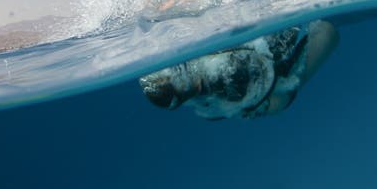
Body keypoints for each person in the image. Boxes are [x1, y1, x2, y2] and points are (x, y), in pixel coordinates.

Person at [139, 20, 339, 120]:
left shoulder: (190, 87)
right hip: (277, 87)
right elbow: (271, 62)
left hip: (259, 92)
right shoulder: (224, 73)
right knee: (328, 29)